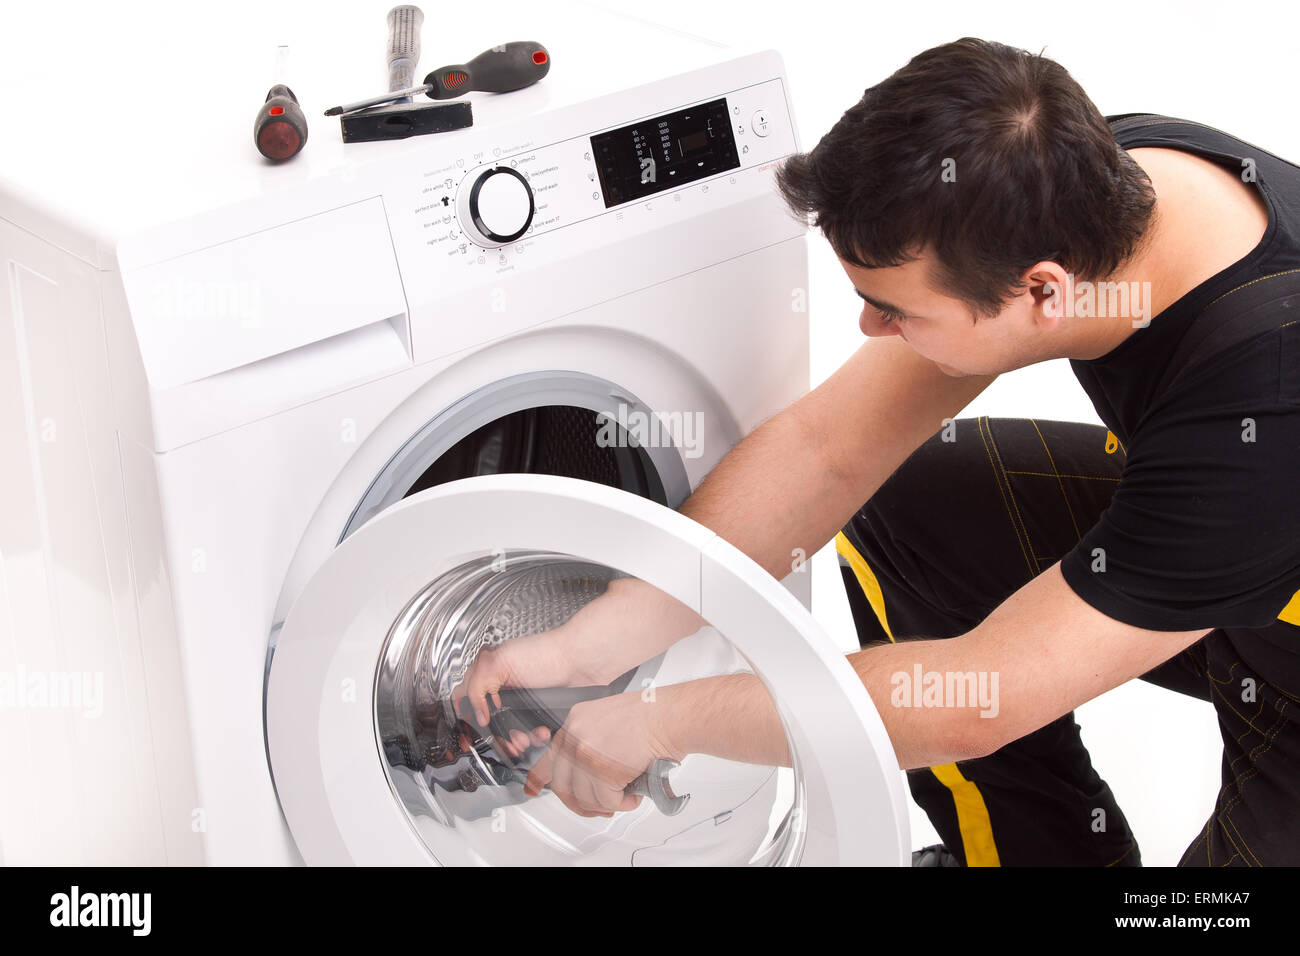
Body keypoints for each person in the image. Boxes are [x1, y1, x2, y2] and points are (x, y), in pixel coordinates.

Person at [453, 37, 1300, 866]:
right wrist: (593, 642)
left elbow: (984, 695)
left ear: (1045, 290)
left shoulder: (1259, 408)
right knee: (917, 509)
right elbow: (829, 451)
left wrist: (656, 722)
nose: (870, 329)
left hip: (1270, 573)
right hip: (1245, 543)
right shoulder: (1094, 178)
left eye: (894, 309)